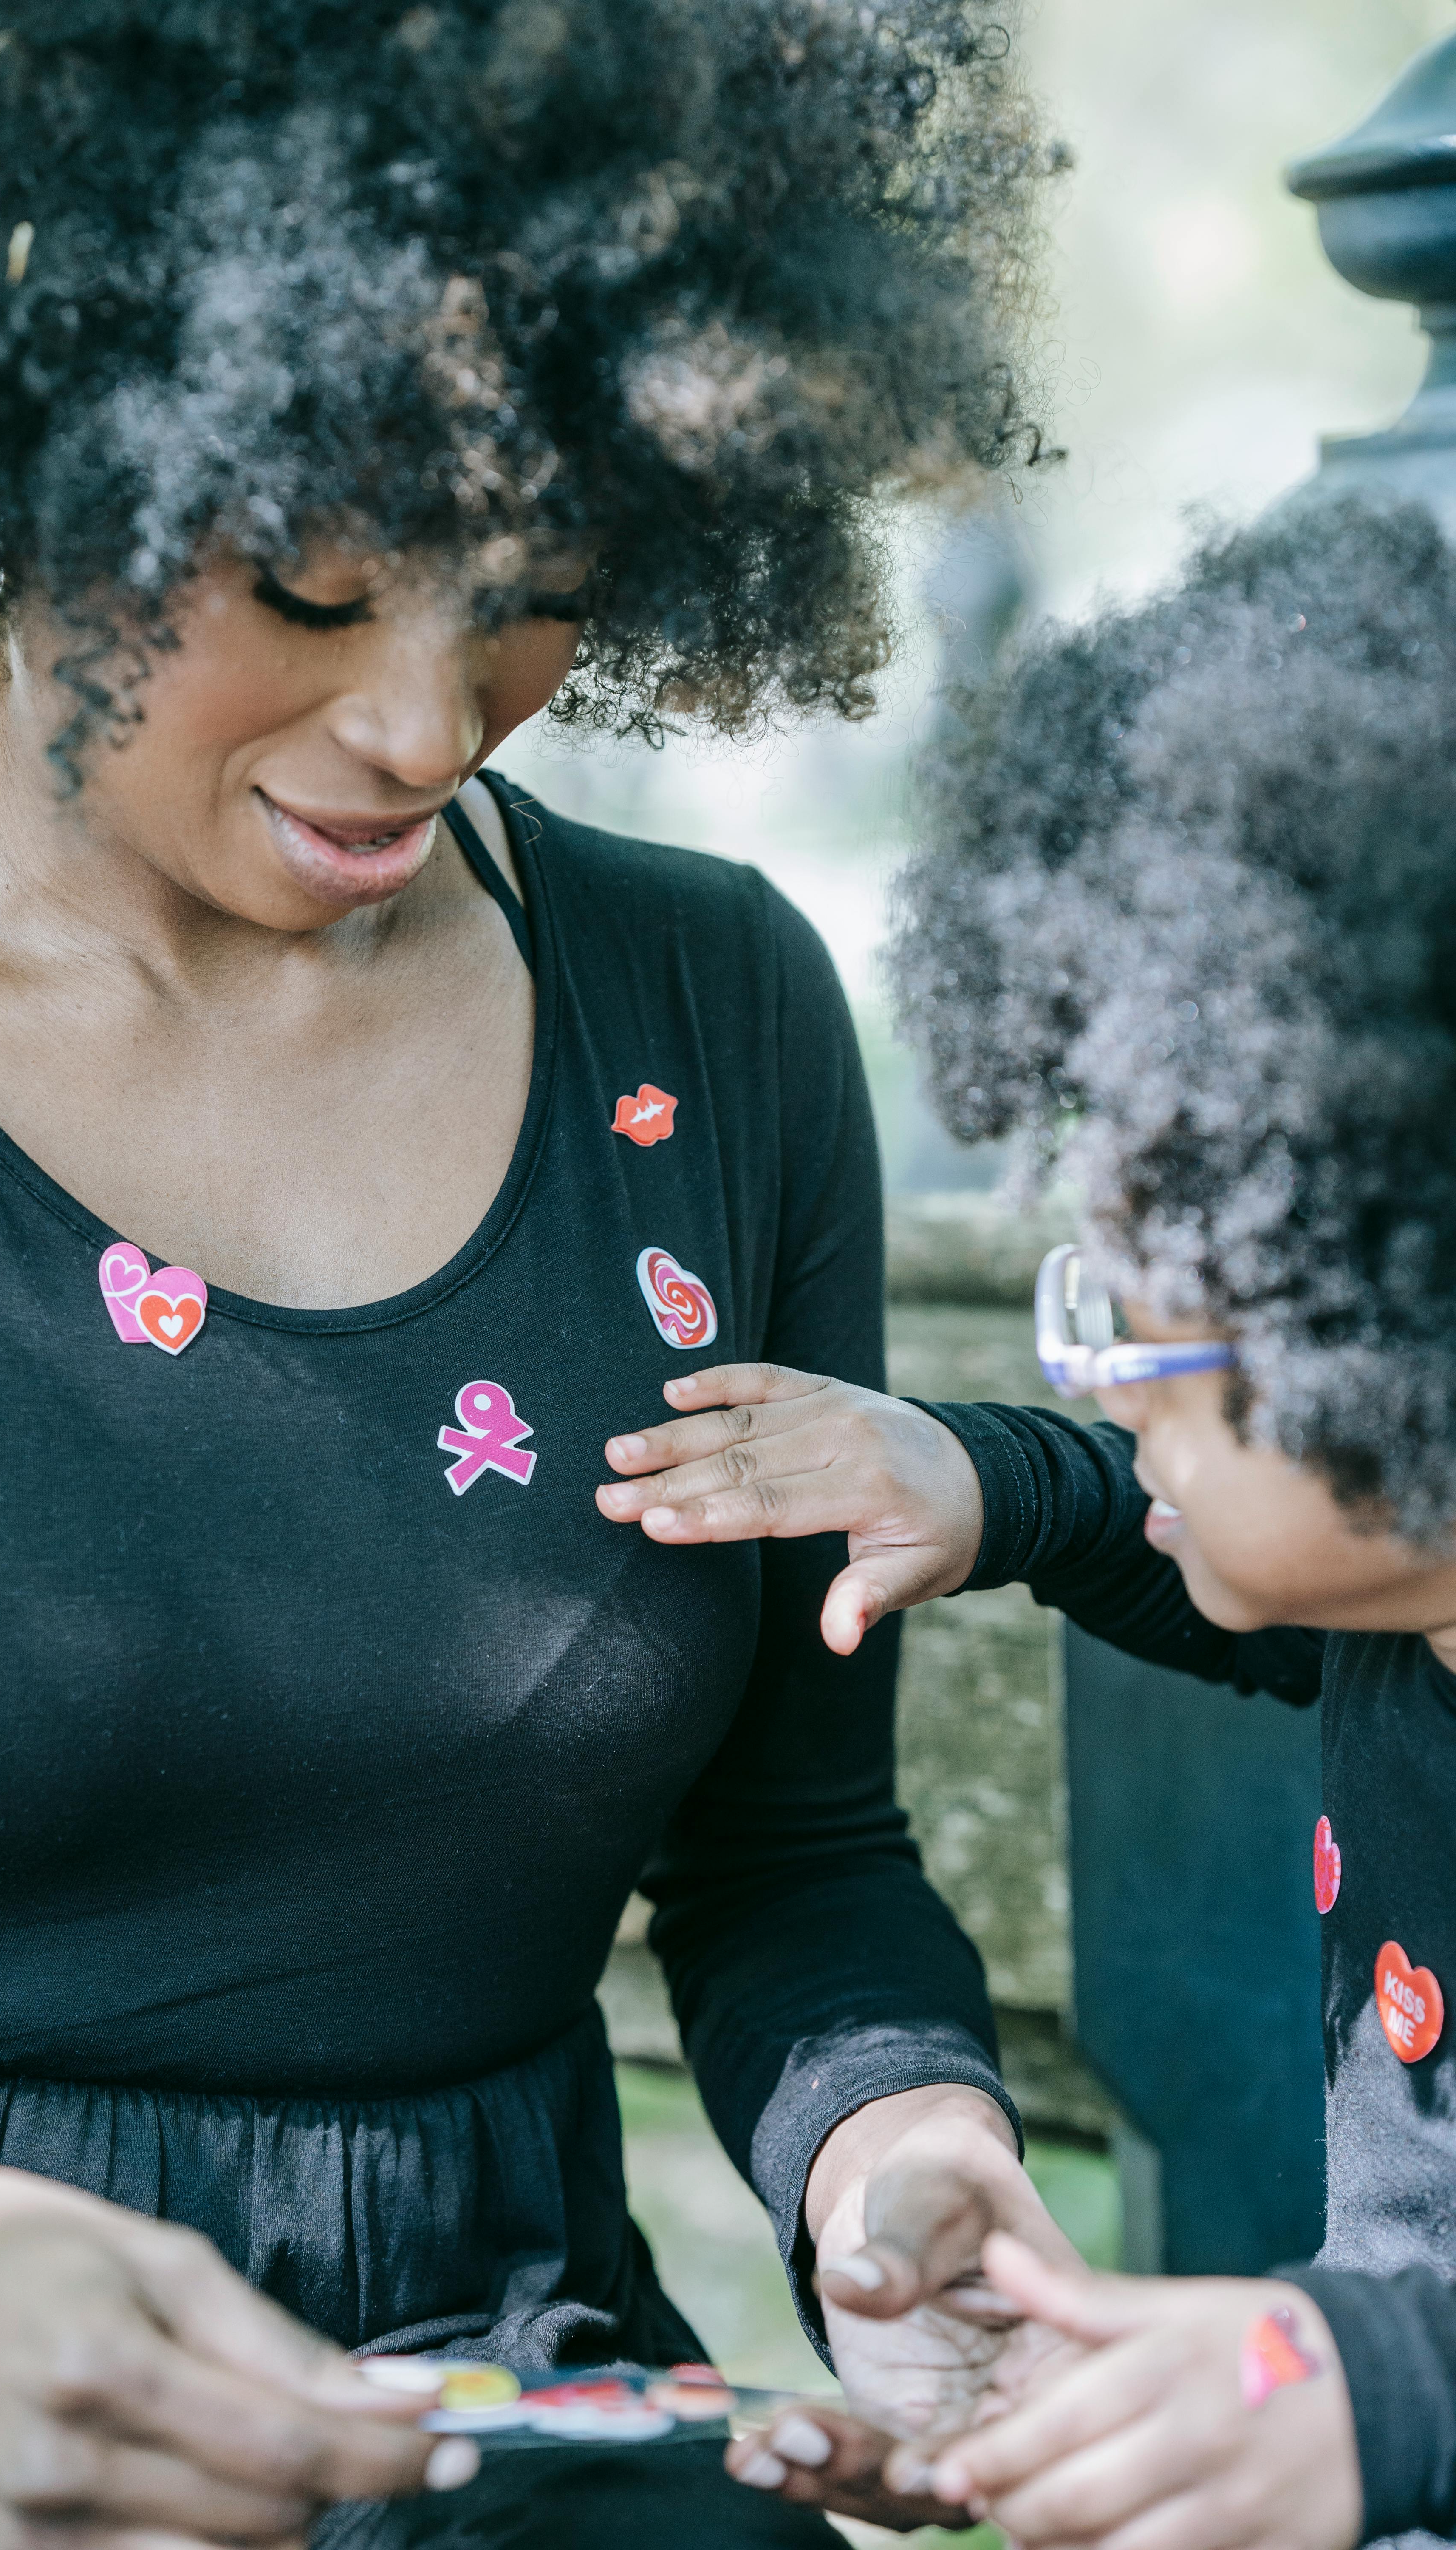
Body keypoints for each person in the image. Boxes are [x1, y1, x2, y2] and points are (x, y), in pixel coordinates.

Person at [0, 6, 1075, 2547]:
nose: (418, 721)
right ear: (14, 426)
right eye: (314, 582)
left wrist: (891, 2167)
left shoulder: (704, 1011)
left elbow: (792, 1854)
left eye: (542, 599)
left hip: (504, 2420)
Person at [599, 496, 1456, 2548]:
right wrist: (978, 1484)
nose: (1088, 1369)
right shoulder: (1389, 1610)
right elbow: (1186, 1535)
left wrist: (1371, 2391)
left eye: (1133, 1297)